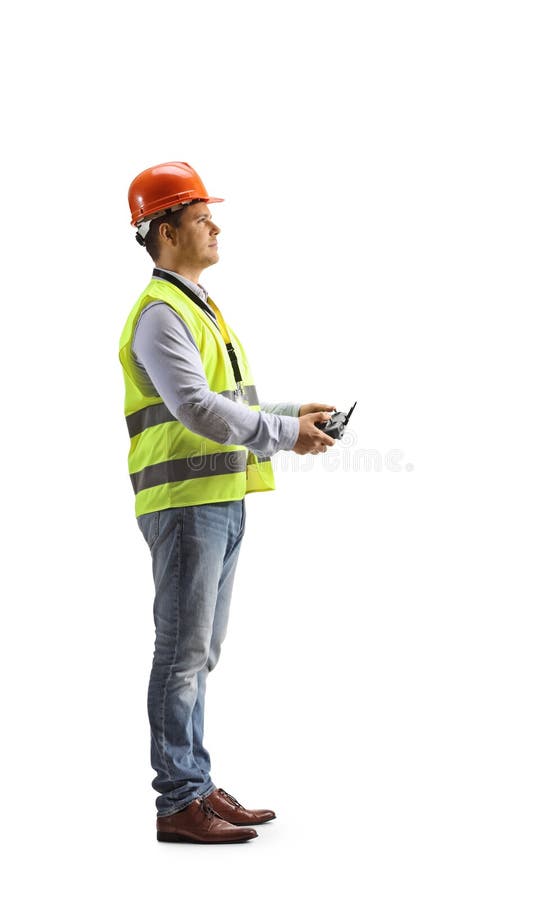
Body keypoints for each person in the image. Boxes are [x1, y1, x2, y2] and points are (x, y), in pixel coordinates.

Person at [119, 161, 336, 844]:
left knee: (201, 651)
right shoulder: (160, 315)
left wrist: (290, 412)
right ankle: (178, 800)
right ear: (165, 229)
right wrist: (284, 436)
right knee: (181, 653)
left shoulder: (197, 307)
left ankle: (197, 785)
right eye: (199, 213)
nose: (214, 222)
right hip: (186, 504)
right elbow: (194, 409)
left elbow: (227, 404)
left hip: (219, 499)